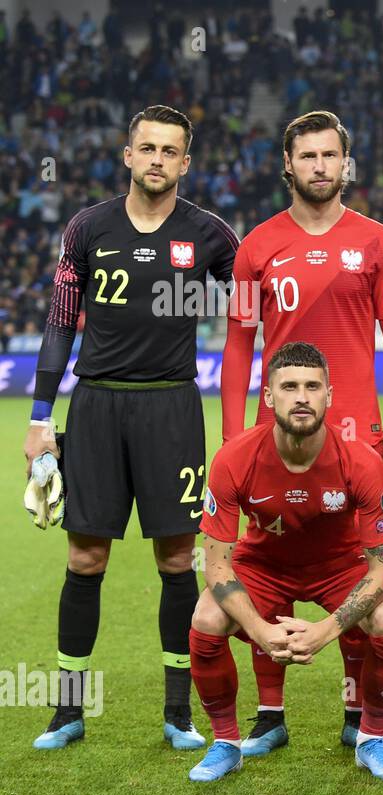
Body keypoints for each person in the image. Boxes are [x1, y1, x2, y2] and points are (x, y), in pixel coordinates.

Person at [27, 105, 238, 751]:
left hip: (173, 409)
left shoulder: (211, 235)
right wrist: (40, 415)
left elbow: (249, 315)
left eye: (169, 150)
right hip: (95, 408)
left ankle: (178, 713)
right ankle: (67, 711)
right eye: (146, 147)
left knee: (178, 558)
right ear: (127, 155)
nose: (156, 158)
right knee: (85, 557)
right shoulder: (88, 227)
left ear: (185, 162)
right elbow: (63, 319)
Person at [220, 110, 383, 756]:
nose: (320, 166)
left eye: (330, 155)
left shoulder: (377, 241)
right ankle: (269, 714)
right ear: (288, 164)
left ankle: (357, 708)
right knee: (269, 561)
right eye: (307, 156)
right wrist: (230, 436)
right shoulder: (256, 246)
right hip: (279, 433)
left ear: (345, 163)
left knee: (355, 567)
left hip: (358, 433)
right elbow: (239, 347)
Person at [188, 342, 383, 782]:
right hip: (264, 565)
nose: (302, 397)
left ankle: (370, 738)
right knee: (206, 617)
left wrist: (325, 632)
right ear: (269, 396)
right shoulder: (233, 459)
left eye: (312, 386)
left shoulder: (362, 463)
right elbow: (215, 565)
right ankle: (226, 743)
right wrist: (260, 630)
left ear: (329, 394)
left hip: (339, 565)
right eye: (289, 387)